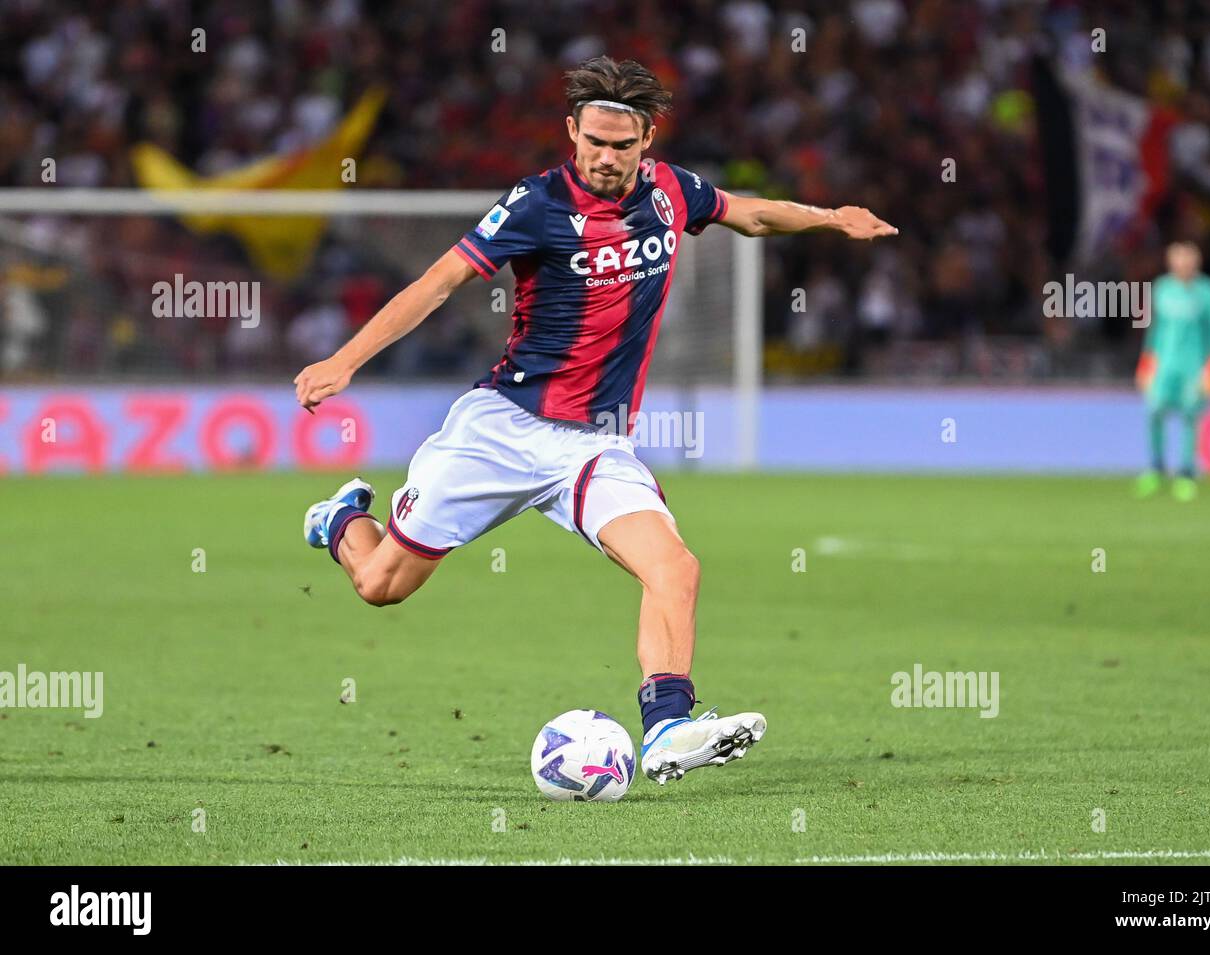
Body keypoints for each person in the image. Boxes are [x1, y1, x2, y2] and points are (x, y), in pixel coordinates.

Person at [294, 56, 898, 785]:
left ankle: (669, 724)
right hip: (502, 429)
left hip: (594, 446)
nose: (606, 158)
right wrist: (348, 359)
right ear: (572, 131)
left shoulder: (674, 192)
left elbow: (752, 213)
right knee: (381, 584)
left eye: (623, 144)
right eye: (594, 142)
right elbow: (439, 281)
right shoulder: (535, 205)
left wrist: (831, 217)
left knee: (674, 565)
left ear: (647, 140)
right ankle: (337, 520)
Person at [1135, 241, 1210, 501]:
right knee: (1154, 411)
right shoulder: (1162, 289)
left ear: (1197, 262)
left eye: (1188, 259)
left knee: (1191, 417)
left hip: (1194, 367)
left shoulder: (1209, 292)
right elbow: (1154, 331)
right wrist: (1146, 363)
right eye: (1178, 259)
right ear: (1170, 261)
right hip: (1165, 364)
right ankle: (1156, 467)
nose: (1183, 264)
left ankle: (1186, 472)